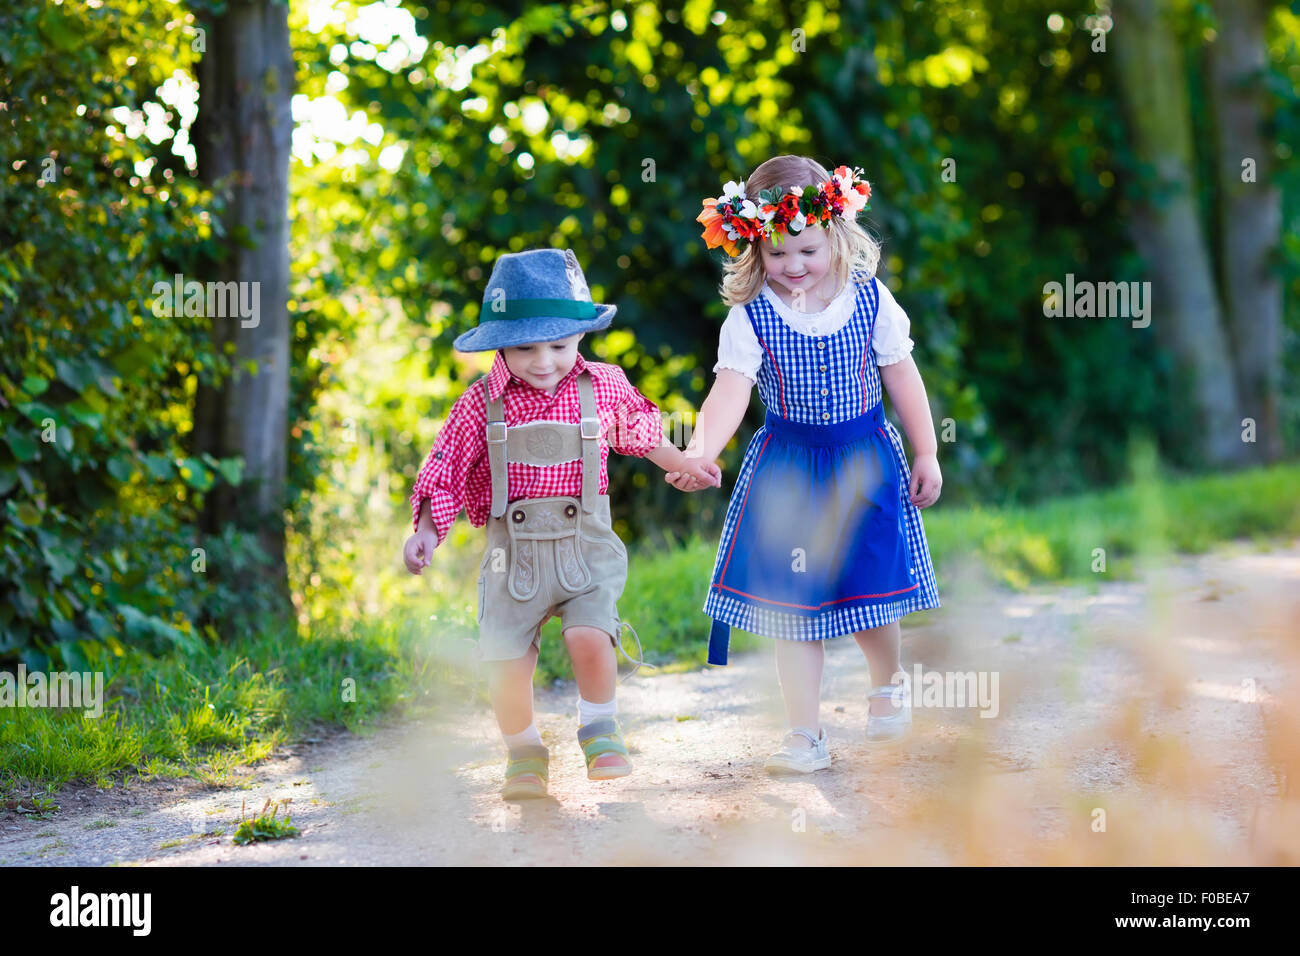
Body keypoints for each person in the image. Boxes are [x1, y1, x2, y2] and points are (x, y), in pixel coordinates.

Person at [403, 247, 720, 799]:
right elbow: (445, 466)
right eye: (525, 346)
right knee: (506, 659)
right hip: (512, 554)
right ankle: (523, 753)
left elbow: (642, 435)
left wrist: (686, 464)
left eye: (559, 344)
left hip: (586, 544)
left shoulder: (603, 386)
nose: (543, 360)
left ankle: (600, 728)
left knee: (589, 636)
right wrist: (428, 530)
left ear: (580, 335)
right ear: (499, 342)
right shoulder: (481, 403)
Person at [666, 155, 942, 773]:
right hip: (788, 469)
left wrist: (925, 451)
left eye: (808, 251)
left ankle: (886, 684)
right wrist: (699, 453)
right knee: (793, 610)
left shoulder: (871, 301)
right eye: (777, 254)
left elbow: (903, 374)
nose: (793, 267)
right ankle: (805, 734)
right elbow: (731, 391)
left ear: (836, 235)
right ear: (754, 248)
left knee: (872, 590)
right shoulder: (752, 315)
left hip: (863, 461)